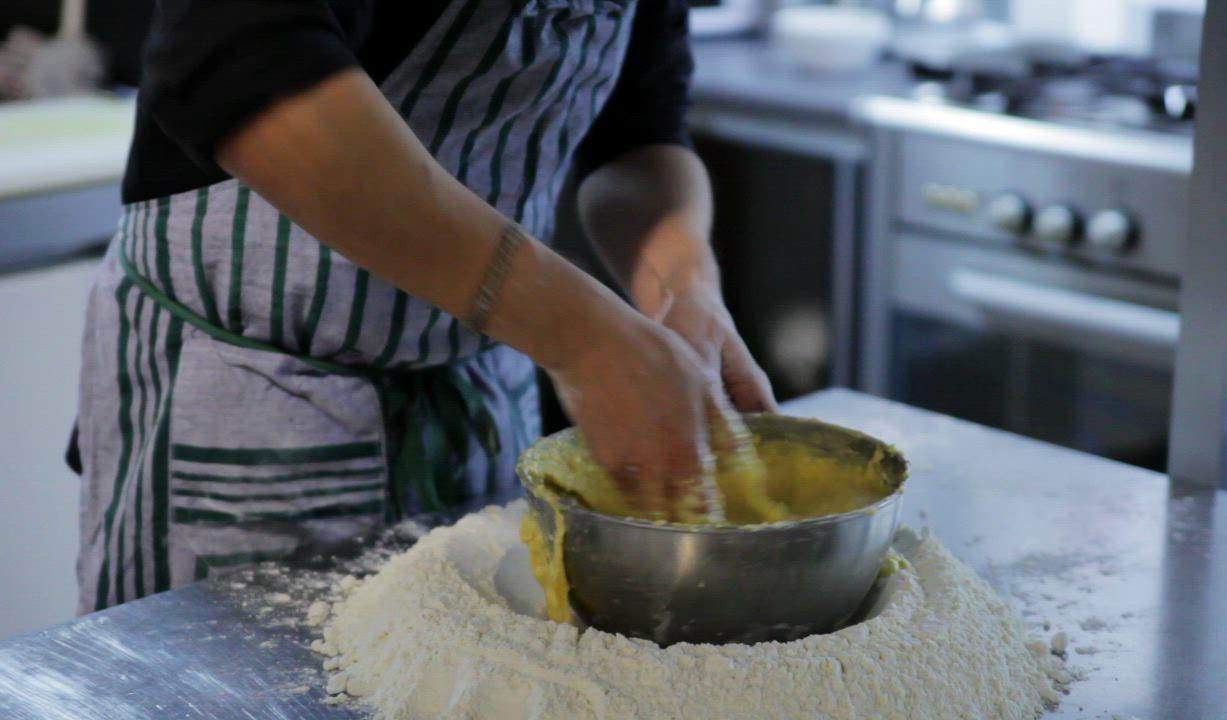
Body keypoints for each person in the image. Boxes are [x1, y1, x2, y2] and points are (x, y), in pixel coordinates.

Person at [72, 0, 775, 613]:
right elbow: (244, 63)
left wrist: (684, 290)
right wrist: (582, 335)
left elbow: (638, 129)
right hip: (253, 396)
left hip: (478, 392)